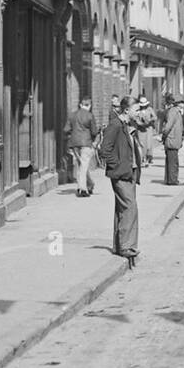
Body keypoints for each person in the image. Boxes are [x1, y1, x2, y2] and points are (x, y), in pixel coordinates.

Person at [97, 97, 142, 269]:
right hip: (121, 174)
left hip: (128, 173)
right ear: (126, 110)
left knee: (123, 209)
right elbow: (104, 150)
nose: (138, 113)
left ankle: (120, 245)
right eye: (136, 110)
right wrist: (117, 166)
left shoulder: (126, 126)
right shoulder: (115, 125)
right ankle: (126, 247)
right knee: (129, 208)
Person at [66, 97, 99, 198]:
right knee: (84, 166)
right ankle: (82, 189)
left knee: (82, 165)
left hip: (74, 144)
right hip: (86, 143)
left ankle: (90, 184)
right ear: (89, 105)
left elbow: (66, 129)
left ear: (80, 105)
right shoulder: (90, 116)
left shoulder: (72, 115)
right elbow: (94, 131)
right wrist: (94, 141)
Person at [161, 95, 184, 185]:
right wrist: (164, 135)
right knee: (173, 162)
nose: (183, 104)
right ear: (178, 104)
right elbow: (168, 126)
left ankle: (170, 179)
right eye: (182, 102)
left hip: (174, 139)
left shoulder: (176, 111)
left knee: (172, 160)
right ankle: (173, 180)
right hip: (172, 140)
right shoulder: (173, 112)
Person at [134, 96, 157, 167]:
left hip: (148, 129)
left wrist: (150, 120)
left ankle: (148, 158)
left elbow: (155, 117)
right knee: (142, 144)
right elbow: (136, 119)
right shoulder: (138, 111)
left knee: (149, 144)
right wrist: (140, 123)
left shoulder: (149, 109)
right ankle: (142, 159)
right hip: (141, 130)